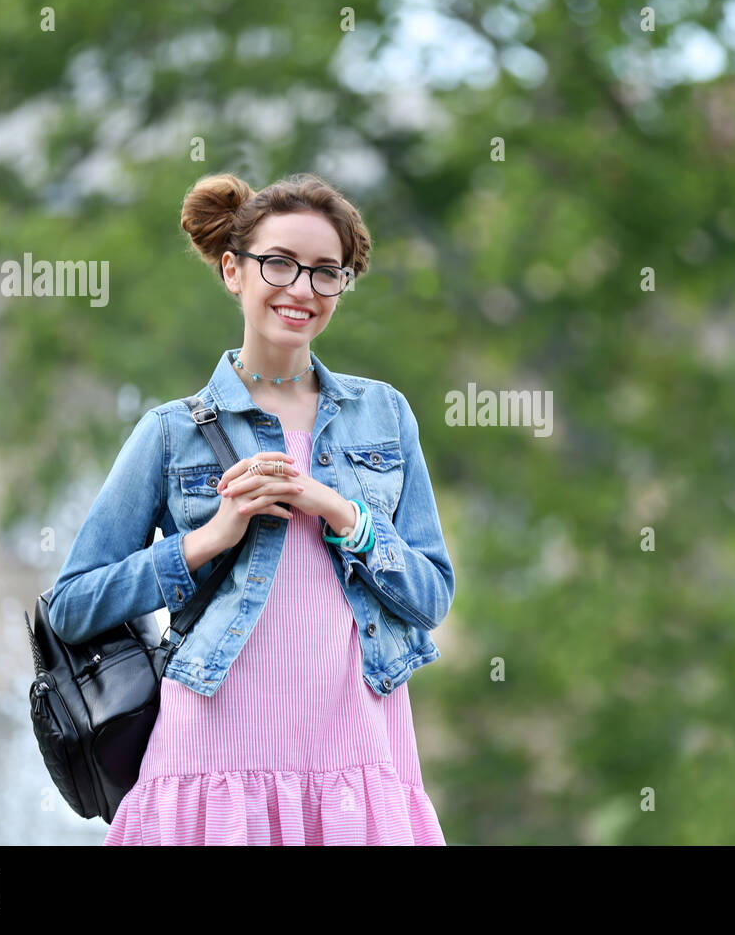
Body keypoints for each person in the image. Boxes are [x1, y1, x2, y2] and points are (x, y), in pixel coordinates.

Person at [47, 172, 455, 844]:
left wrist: (343, 515)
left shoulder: (385, 414)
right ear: (234, 270)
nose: (302, 289)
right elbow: (71, 604)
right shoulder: (170, 431)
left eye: (328, 272)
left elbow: (432, 594)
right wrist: (207, 539)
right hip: (212, 757)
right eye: (280, 264)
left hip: (354, 756)